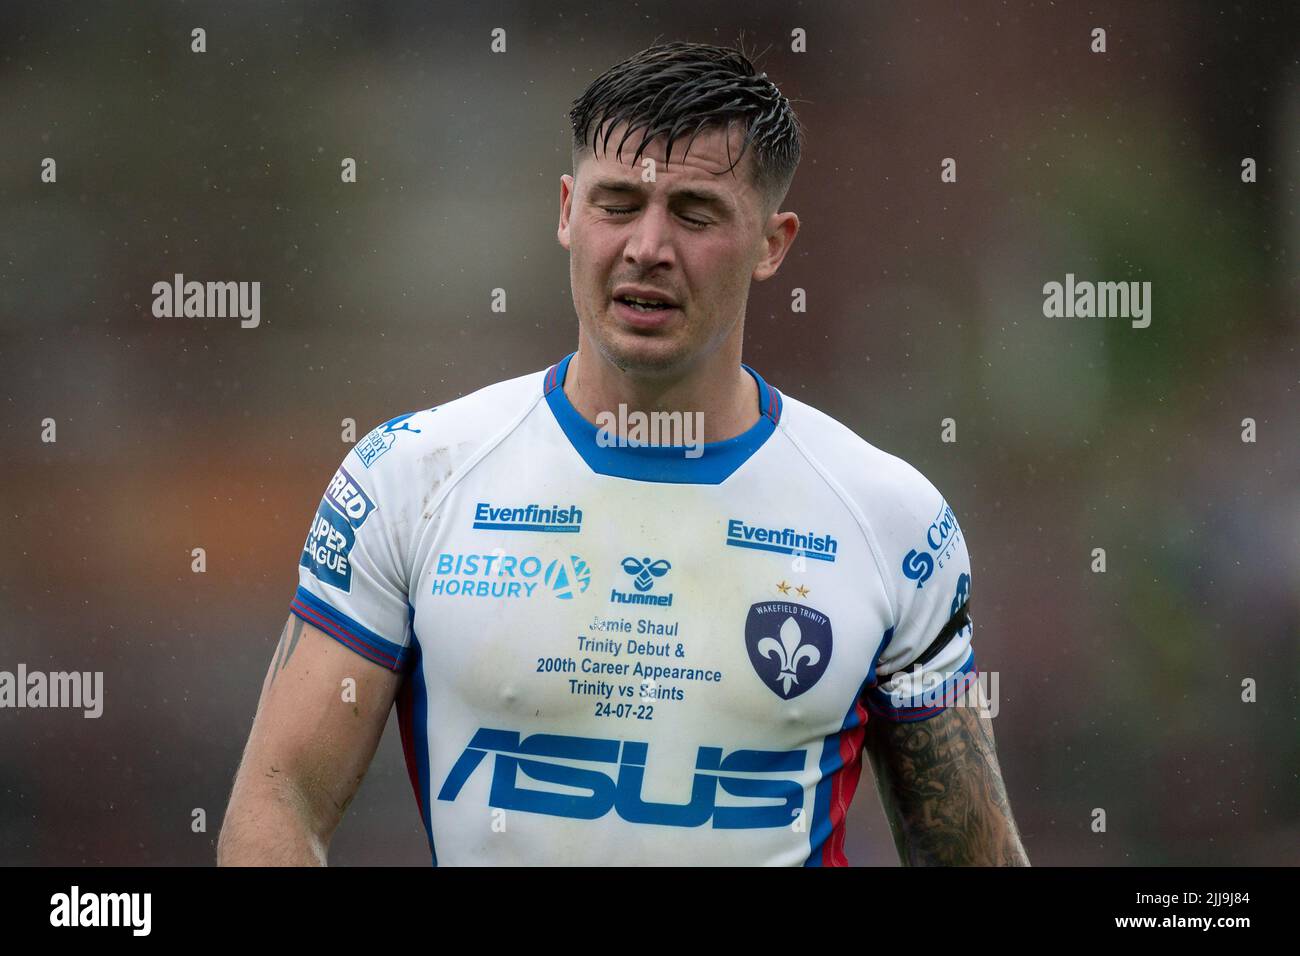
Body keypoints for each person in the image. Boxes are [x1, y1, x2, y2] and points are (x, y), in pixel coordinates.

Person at [218, 40, 1028, 866]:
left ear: (772, 243)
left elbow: (973, 858)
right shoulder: (410, 478)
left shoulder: (890, 520)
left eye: (694, 213)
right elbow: (277, 801)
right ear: (567, 211)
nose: (648, 246)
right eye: (617, 204)